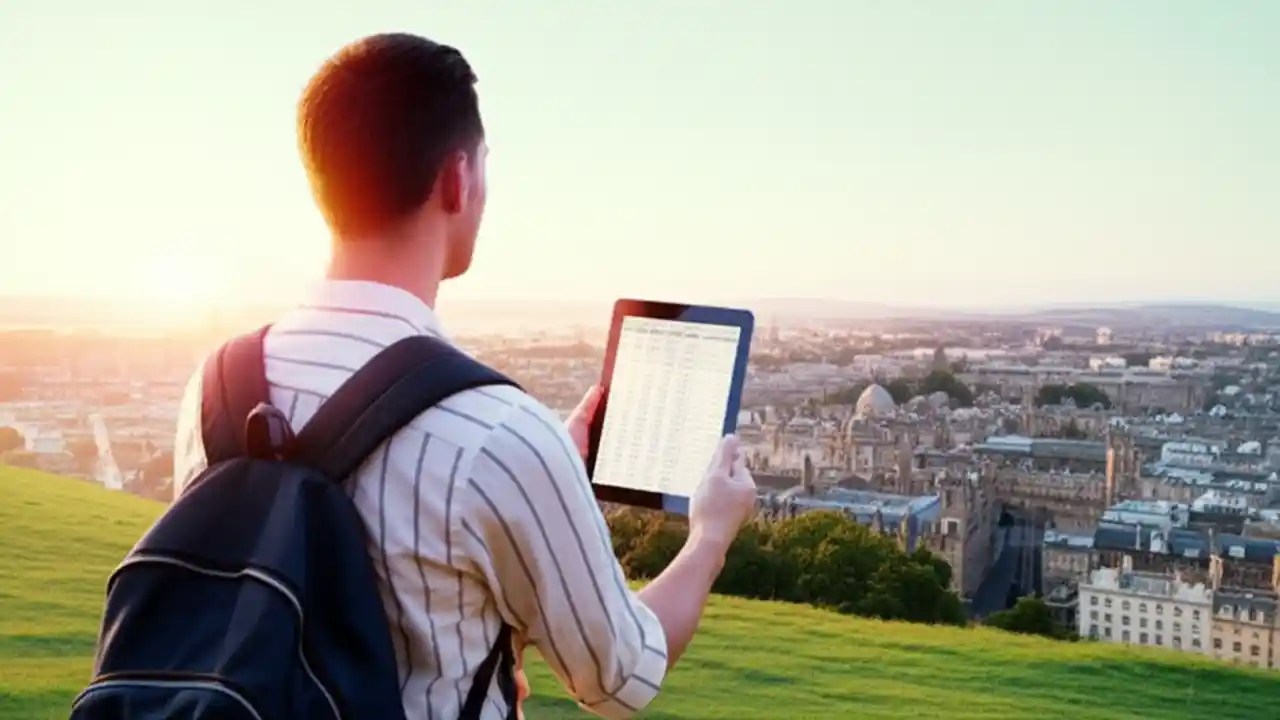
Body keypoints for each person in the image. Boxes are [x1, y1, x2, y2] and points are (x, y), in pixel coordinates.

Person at [171, 32, 758, 720]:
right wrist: (711, 535)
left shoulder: (214, 387)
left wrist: (542, 484)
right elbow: (617, 678)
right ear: (458, 178)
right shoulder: (498, 434)